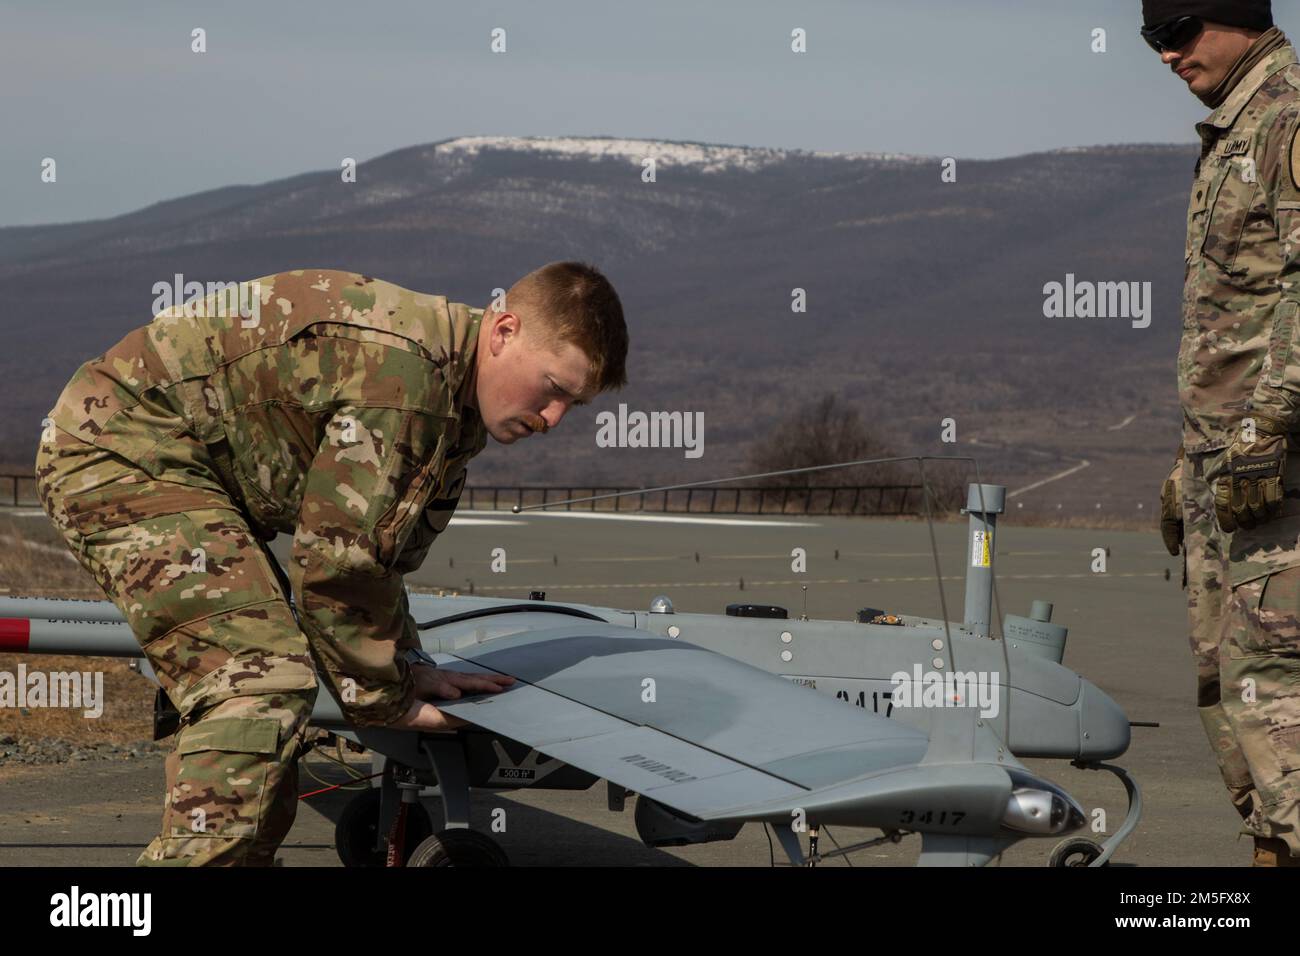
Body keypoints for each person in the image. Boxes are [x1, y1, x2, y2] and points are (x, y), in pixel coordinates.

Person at [34, 262, 629, 865]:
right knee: (261, 683)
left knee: (275, 694)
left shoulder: (457, 398)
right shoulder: (409, 381)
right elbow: (334, 566)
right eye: (553, 388)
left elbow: (376, 559)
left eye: (572, 405)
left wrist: (405, 663)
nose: (553, 419)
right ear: (503, 332)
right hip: (119, 454)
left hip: (179, 468)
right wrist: (385, 694)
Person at [1148, 0, 1300, 865]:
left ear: (1238, 15)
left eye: (1179, 31)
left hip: (1276, 473)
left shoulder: (1286, 119)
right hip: (1224, 470)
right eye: (1150, 40)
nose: (1167, 54)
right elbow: (1230, 326)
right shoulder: (1231, 135)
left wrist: (1267, 428)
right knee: (1227, 691)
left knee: (1277, 693)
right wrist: (1190, 463)